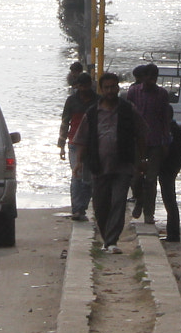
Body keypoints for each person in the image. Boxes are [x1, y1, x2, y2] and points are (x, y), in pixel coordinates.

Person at [73, 72, 142, 252]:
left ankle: (111, 241)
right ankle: (107, 238)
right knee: (100, 205)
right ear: (101, 90)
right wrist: (79, 162)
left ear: (118, 88)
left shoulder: (129, 110)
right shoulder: (92, 113)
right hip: (99, 166)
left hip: (123, 165)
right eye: (107, 87)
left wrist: (141, 160)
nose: (110, 91)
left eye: (113, 87)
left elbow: (142, 134)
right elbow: (82, 139)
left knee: (119, 202)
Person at [124, 63, 174, 226]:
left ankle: (149, 214)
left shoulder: (162, 94)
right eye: (148, 77)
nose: (151, 80)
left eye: (154, 78)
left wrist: (165, 142)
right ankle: (139, 201)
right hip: (136, 143)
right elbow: (128, 117)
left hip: (155, 143)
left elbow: (165, 119)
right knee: (135, 178)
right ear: (143, 77)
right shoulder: (133, 92)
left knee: (151, 180)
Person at [60, 73, 98, 222]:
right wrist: (61, 145)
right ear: (77, 86)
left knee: (89, 177)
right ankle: (77, 209)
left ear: (90, 85)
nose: (83, 89)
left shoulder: (97, 101)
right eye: (80, 86)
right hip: (75, 144)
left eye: (86, 85)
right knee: (77, 176)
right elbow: (65, 122)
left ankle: (83, 208)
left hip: (93, 144)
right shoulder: (71, 101)